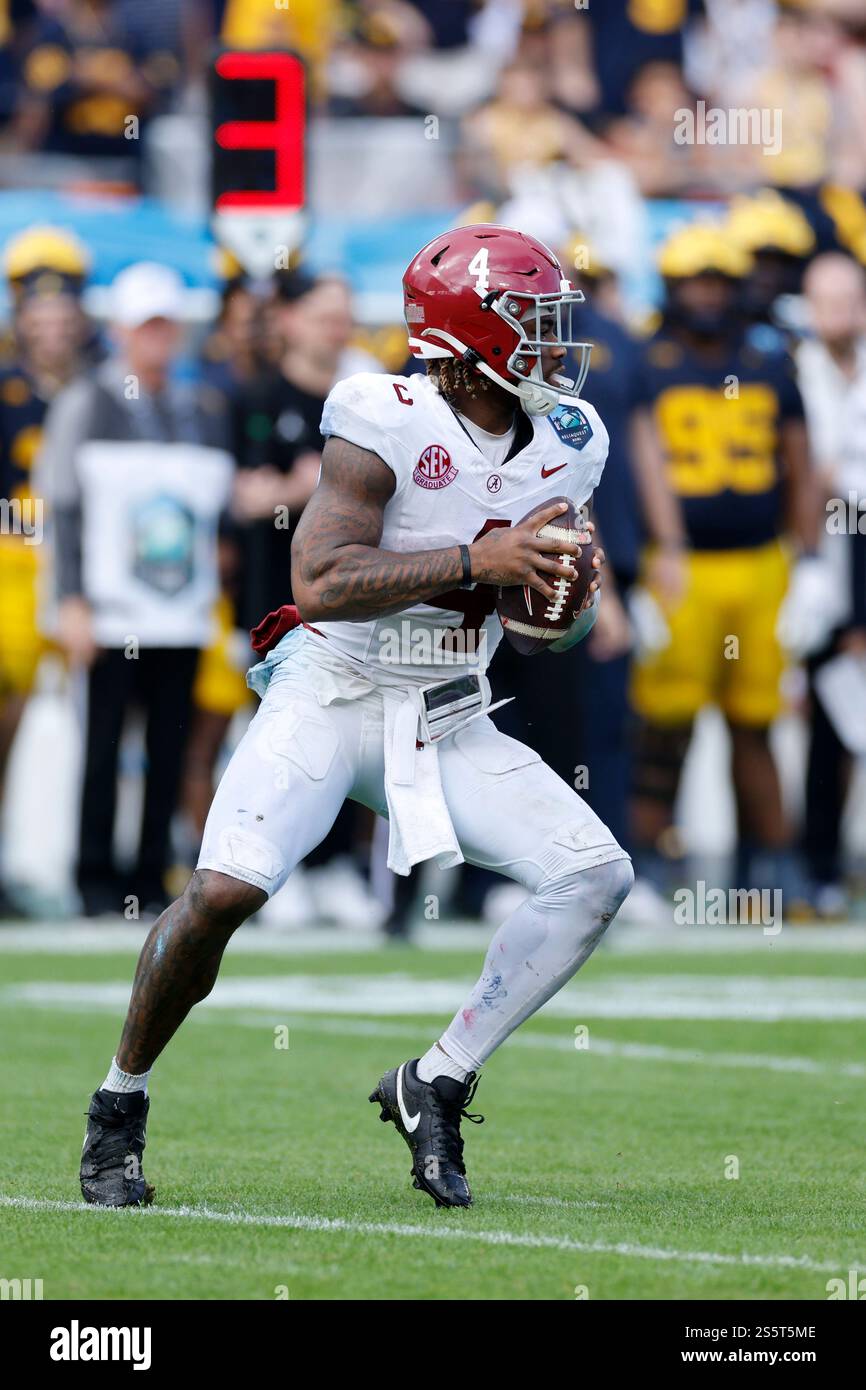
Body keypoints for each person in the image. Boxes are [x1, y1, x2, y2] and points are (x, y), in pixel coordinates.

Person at [79, 224, 633, 1211]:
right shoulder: (383, 414)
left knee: (594, 876)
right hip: (333, 690)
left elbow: (547, 611)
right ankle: (119, 1104)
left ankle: (437, 1079)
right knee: (221, 894)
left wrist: (561, 606)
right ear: (465, 339)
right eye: (531, 324)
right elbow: (323, 578)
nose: (554, 346)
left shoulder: (569, 437)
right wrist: (478, 561)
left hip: (451, 711)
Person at [40, 262, 234, 917]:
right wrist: (69, 599)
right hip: (110, 608)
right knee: (101, 748)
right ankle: (94, 878)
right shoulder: (87, 403)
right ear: (121, 330)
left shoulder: (199, 408)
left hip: (179, 612)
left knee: (168, 744)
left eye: (165, 324)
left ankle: (149, 878)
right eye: (146, 325)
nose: (157, 337)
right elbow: (62, 507)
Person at [629, 224, 816, 903]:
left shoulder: (770, 360)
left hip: (761, 566)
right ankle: (647, 860)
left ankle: (768, 867)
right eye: (695, 282)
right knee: (663, 725)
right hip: (680, 570)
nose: (708, 295)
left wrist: (813, 563)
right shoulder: (650, 360)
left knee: (756, 724)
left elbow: (800, 464)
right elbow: (634, 466)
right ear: (674, 288)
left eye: (718, 282)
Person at [0, 226, 90, 916]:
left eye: (62, 315)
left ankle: (88, 865)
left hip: (87, 571)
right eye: (40, 315)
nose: (52, 327)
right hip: (14, 570)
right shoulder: (8, 390)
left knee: (90, 720)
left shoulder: (99, 386)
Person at [793, 252, 866, 915]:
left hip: (858, 549)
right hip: (818, 563)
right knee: (827, 726)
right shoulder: (793, 369)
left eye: (848, 298)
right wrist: (810, 565)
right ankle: (817, 865)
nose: (838, 314)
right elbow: (807, 479)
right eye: (826, 300)